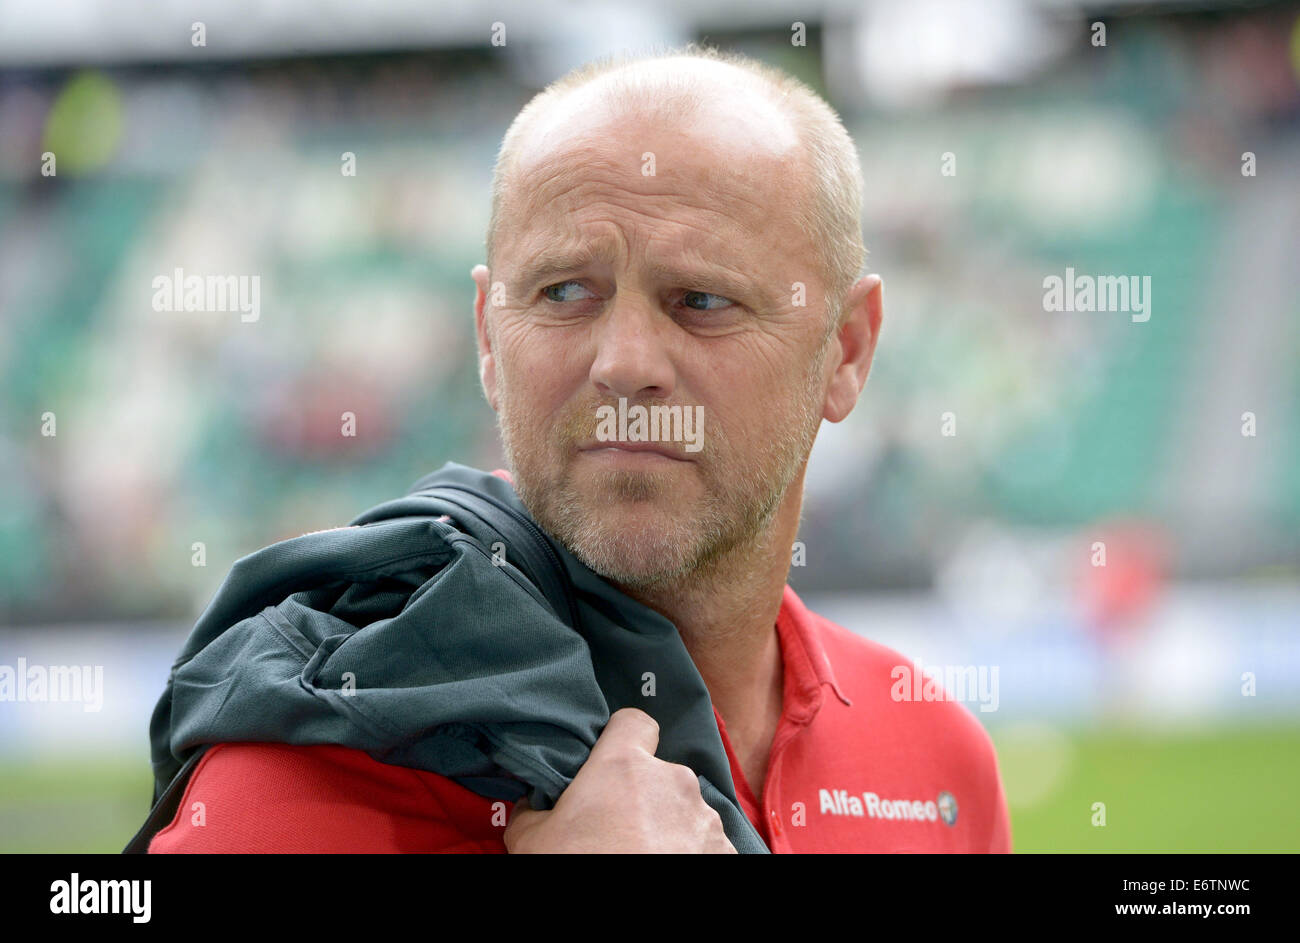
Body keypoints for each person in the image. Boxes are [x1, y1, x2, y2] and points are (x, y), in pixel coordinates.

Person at [148, 44, 1012, 854]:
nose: (625, 364)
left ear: (846, 351)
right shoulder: (288, 790)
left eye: (701, 299)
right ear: (489, 338)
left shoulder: (937, 762)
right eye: (564, 291)